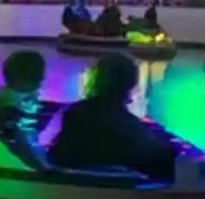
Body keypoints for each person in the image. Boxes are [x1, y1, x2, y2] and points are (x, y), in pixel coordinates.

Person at [49, 53, 177, 179]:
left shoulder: (71, 114)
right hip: (121, 196)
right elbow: (160, 162)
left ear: (95, 78)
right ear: (131, 84)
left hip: (73, 194)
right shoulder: (131, 127)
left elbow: (55, 156)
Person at [0, 49, 54, 169]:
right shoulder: (9, 105)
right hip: (17, 154)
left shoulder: (20, 94)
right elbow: (13, 139)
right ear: (18, 80)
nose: (39, 86)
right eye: (35, 81)